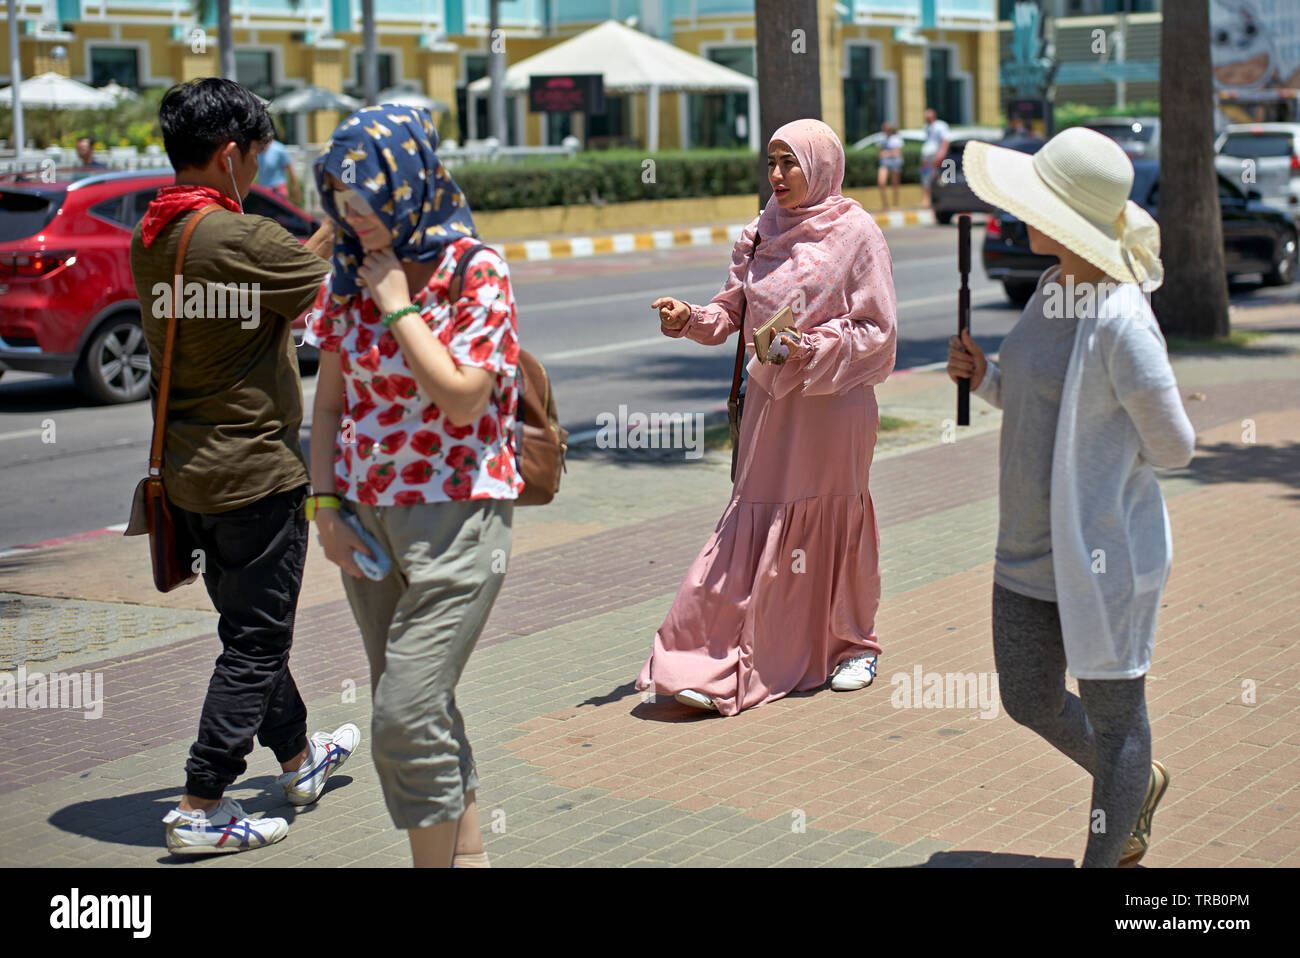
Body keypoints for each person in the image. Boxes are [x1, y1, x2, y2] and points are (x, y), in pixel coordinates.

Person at [947, 126, 1195, 867]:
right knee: (1029, 698)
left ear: (1066, 222)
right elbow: (1044, 407)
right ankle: (1134, 783)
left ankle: (1110, 836)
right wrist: (986, 378)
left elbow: (1174, 446)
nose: (1017, 214)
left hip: (1100, 553)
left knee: (1119, 722)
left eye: (1033, 204)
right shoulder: (1054, 287)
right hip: (1024, 543)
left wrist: (1108, 469)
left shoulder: (1122, 320)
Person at [129, 78, 358, 855]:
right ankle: (201, 804)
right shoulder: (240, 237)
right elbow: (318, 289)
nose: (257, 173)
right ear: (229, 156)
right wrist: (343, 219)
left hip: (185, 474)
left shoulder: (153, 235)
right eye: (256, 157)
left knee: (247, 632)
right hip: (255, 475)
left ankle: (299, 760)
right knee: (256, 644)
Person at [306, 104, 521, 869]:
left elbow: (463, 396)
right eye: (340, 202)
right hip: (364, 522)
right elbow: (328, 405)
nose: (353, 218)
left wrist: (397, 301)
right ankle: (467, 857)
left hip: (458, 519)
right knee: (424, 702)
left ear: (408, 182)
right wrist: (323, 508)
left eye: (363, 201)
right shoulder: (348, 275)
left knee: (401, 712)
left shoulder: (474, 269)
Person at [637, 118, 897, 716]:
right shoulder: (757, 233)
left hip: (834, 405)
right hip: (770, 406)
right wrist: (690, 318)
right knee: (750, 520)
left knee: (835, 514)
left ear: (821, 165)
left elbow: (878, 331)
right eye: (771, 163)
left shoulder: (858, 232)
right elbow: (732, 310)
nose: (776, 175)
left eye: (790, 163)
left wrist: (810, 347)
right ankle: (709, 656)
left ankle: (851, 645)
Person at [257, 129, 298, 204]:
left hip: (278, 190)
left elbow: (289, 169)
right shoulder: (258, 150)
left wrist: (295, 187)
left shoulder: (279, 149)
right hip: (264, 191)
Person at [920, 108, 950, 209]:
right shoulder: (927, 127)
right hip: (927, 158)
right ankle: (928, 199)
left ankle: (941, 200)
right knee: (926, 178)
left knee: (939, 178)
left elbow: (945, 140)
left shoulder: (940, 126)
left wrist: (941, 154)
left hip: (936, 157)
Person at [877, 122, 904, 210]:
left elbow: (898, 152)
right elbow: (879, 153)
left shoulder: (896, 139)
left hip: (895, 163)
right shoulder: (881, 139)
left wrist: (887, 153)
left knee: (895, 184)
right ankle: (885, 204)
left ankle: (895, 204)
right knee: (881, 182)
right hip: (884, 163)